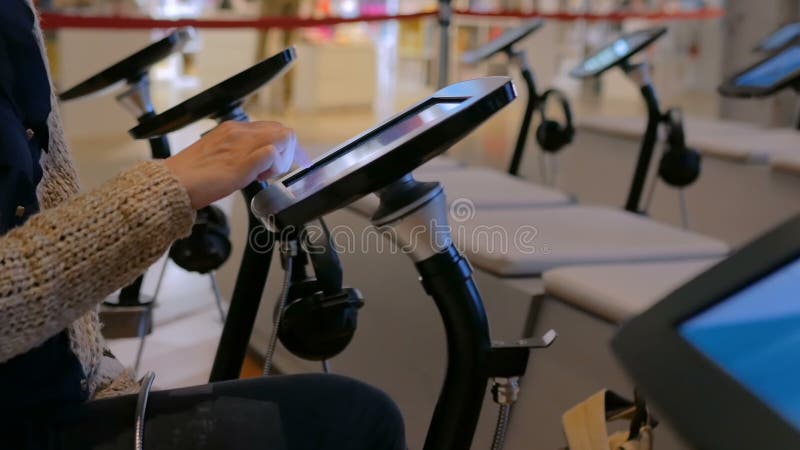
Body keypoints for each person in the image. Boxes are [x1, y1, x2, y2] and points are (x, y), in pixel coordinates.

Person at [0, 2, 406, 449]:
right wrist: (164, 191)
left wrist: (98, 372)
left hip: (59, 388)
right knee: (359, 420)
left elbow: (43, 184)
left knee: (352, 412)